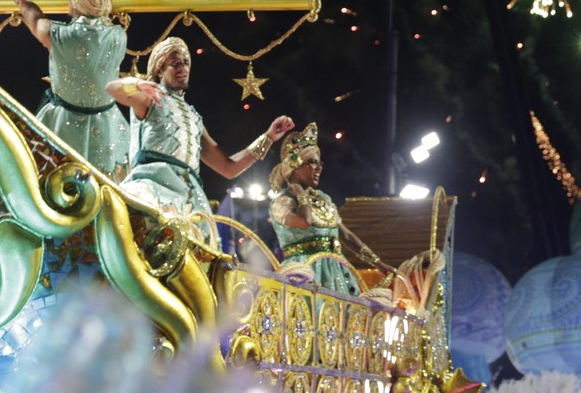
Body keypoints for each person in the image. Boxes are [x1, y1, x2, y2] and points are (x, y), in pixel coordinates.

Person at [107, 37, 293, 246]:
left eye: (186, 62)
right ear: (160, 69)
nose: (183, 68)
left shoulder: (194, 118)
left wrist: (268, 138)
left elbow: (228, 168)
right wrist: (138, 84)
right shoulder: (150, 97)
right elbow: (112, 89)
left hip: (189, 196)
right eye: (175, 63)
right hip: (153, 184)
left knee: (205, 251)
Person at [0, 0, 130, 178]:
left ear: (74, 3)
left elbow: (23, 3)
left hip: (62, 125)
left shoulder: (57, 35)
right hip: (108, 126)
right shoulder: (119, 35)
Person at [268, 123, 393, 295]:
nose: (319, 168)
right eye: (313, 162)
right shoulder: (282, 202)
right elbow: (305, 221)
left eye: (320, 163)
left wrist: (378, 263)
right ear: (295, 166)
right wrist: (301, 196)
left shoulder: (323, 199)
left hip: (337, 273)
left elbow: (346, 236)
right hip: (304, 274)